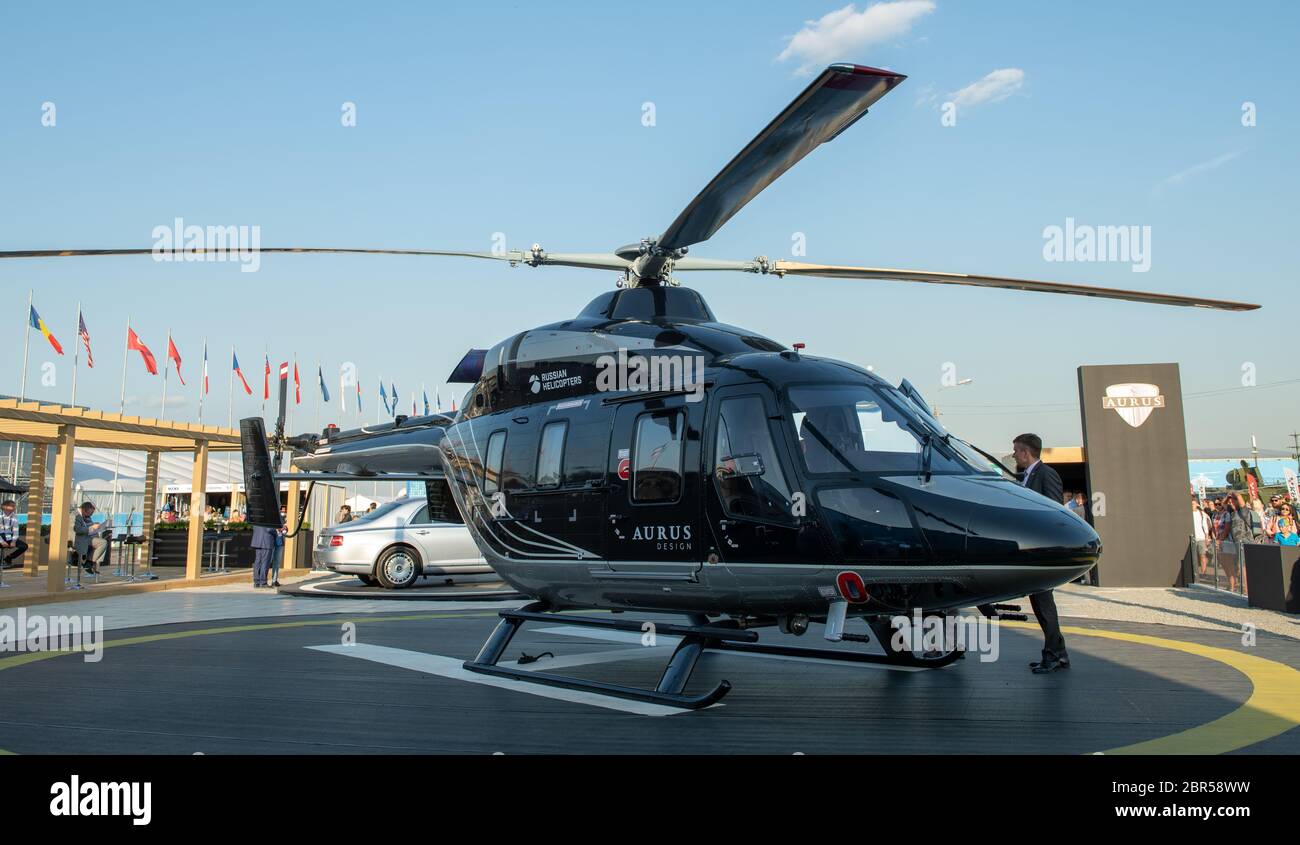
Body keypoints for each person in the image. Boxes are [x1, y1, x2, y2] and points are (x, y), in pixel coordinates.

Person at [1012, 433, 1069, 674]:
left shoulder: (1047, 474)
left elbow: (1054, 511)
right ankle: (1059, 653)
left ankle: (1053, 655)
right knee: (1040, 601)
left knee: (1044, 603)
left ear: (1026, 453)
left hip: (1042, 551)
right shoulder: (1025, 476)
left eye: (1016, 450)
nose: (1014, 454)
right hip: (1032, 549)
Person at [73, 501, 110, 574]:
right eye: (89, 513)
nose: (90, 515)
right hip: (79, 539)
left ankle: (92, 563)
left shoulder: (85, 516)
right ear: (84, 509)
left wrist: (96, 527)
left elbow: (88, 526)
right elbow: (77, 529)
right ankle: (89, 562)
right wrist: (92, 528)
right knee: (103, 543)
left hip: (86, 537)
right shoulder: (76, 515)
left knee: (100, 541)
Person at [0, 499, 27, 570]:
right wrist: (2, 541)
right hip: (1, 537)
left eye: (14, 506)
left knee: (24, 546)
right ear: (5, 507)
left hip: (10, 536)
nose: (14, 508)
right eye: (12, 506)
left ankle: (8, 558)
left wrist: (14, 541)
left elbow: (16, 530)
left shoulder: (14, 517)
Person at [249, 523, 277, 588]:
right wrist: (277, 530)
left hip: (257, 540)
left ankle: (256, 582)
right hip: (266, 541)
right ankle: (263, 582)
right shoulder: (267, 517)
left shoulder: (257, 516)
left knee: (258, 561)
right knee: (265, 562)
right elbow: (269, 529)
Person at [1192, 498, 1214, 577]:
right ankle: (1195, 573)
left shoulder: (1201, 513)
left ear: (1197, 504)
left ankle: (1204, 572)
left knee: (1202, 555)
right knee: (1194, 556)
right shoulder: (1188, 514)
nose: (1192, 505)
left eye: (1194, 504)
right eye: (1191, 504)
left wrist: (1206, 537)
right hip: (1192, 538)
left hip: (1201, 537)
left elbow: (1205, 525)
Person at [269, 506, 288, 587]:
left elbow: (285, 528)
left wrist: (285, 529)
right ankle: (263, 580)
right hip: (271, 542)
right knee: (269, 561)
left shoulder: (282, 518)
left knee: (277, 562)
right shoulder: (270, 518)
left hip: (280, 542)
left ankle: (274, 580)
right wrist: (277, 529)